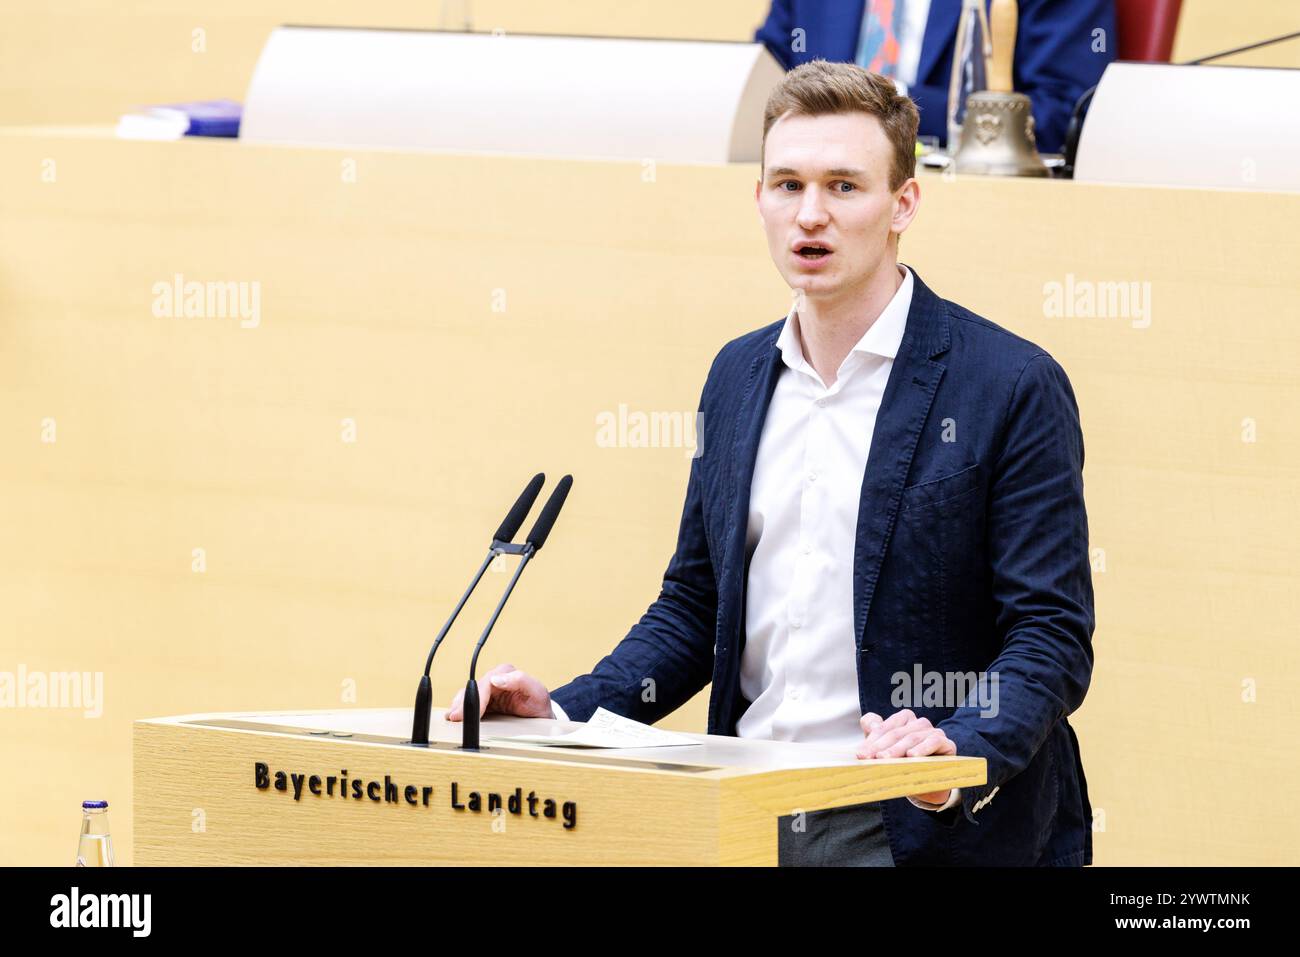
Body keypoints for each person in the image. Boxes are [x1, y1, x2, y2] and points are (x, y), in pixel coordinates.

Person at [449, 59, 1095, 866]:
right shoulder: (736, 375)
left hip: (915, 824)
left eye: (843, 187)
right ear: (757, 198)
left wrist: (956, 749)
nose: (810, 215)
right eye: (787, 185)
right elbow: (695, 605)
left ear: (904, 203)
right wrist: (566, 710)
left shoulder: (1008, 383)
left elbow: (1051, 632)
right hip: (750, 811)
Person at [754, 0, 1116, 153]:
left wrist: (880, 103)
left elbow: (1067, 113)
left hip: (972, 202)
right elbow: (764, 80)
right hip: (814, 188)